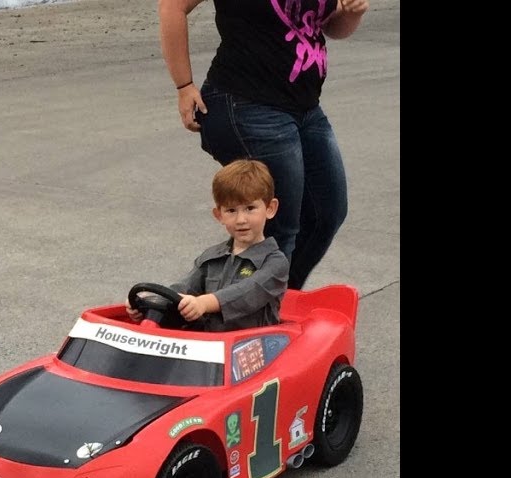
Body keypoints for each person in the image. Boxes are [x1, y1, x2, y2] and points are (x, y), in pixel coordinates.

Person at [157, 0, 368, 291]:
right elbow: (172, 6)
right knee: (275, 225)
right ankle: (238, 309)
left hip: (305, 109)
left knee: (326, 213)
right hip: (245, 103)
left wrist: (351, 13)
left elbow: (327, 26)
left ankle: (268, 301)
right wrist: (184, 86)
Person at [127, 159, 289, 332]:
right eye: (231, 211)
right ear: (219, 215)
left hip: (251, 348)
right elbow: (183, 289)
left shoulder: (275, 263)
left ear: (270, 208)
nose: (241, 220)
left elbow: (246, 292)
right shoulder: (212, 257)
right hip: (208, 345)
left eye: (250, 208)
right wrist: (149, 302)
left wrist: (203, 303)